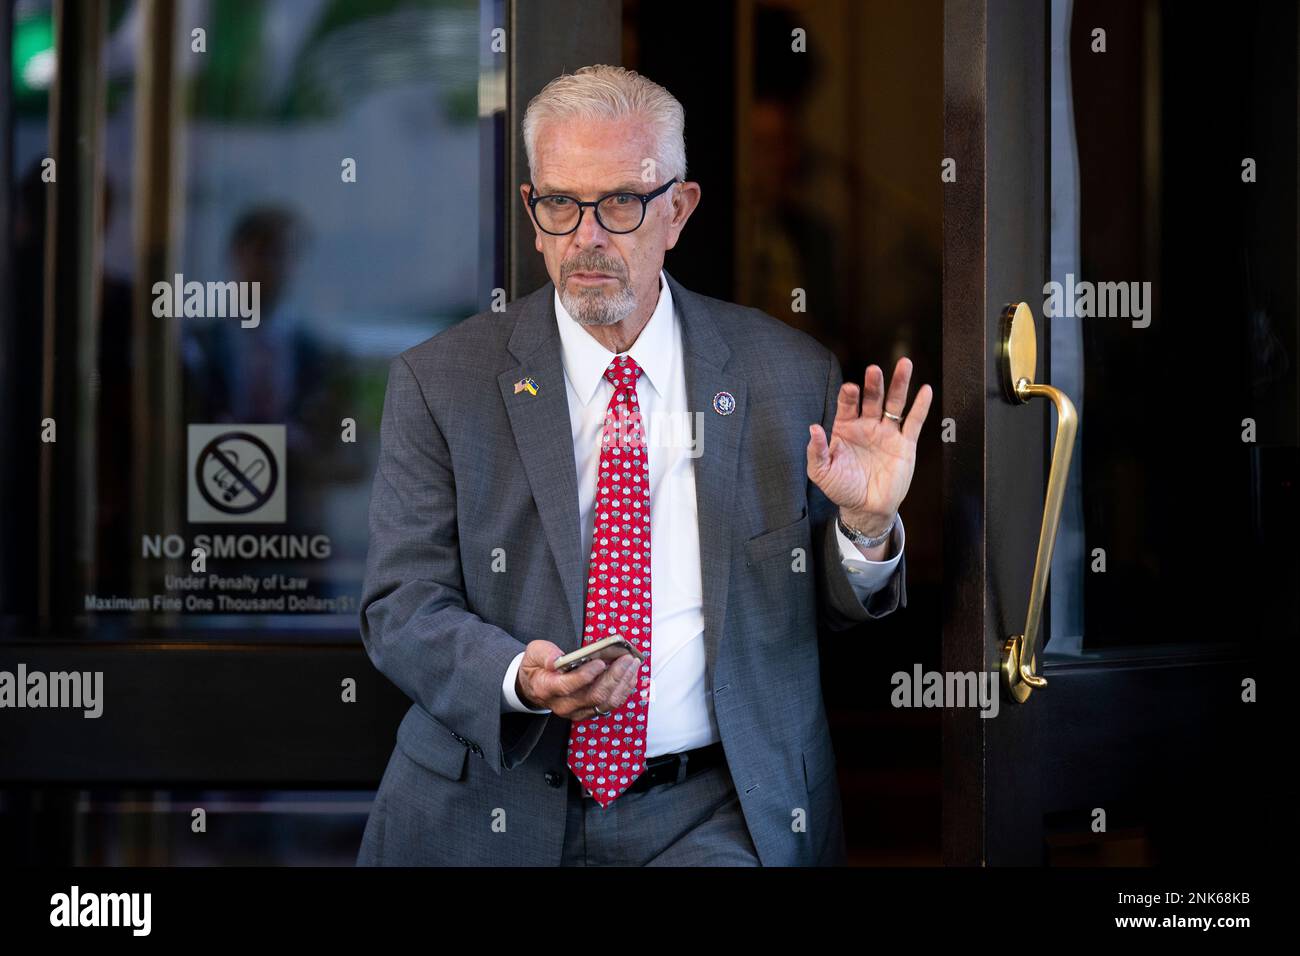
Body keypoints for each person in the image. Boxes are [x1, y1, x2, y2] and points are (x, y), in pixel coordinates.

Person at [357, 65, 931, 866]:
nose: (587, 236)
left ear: (678, 210)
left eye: (621, 201)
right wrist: (518, 678)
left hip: (711, 812)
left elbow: (818, 614)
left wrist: (865, 531)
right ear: (532, 214)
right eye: (561, 202)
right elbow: (401, 604)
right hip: (489, 803)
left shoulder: (786, 375)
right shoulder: (441, 382)